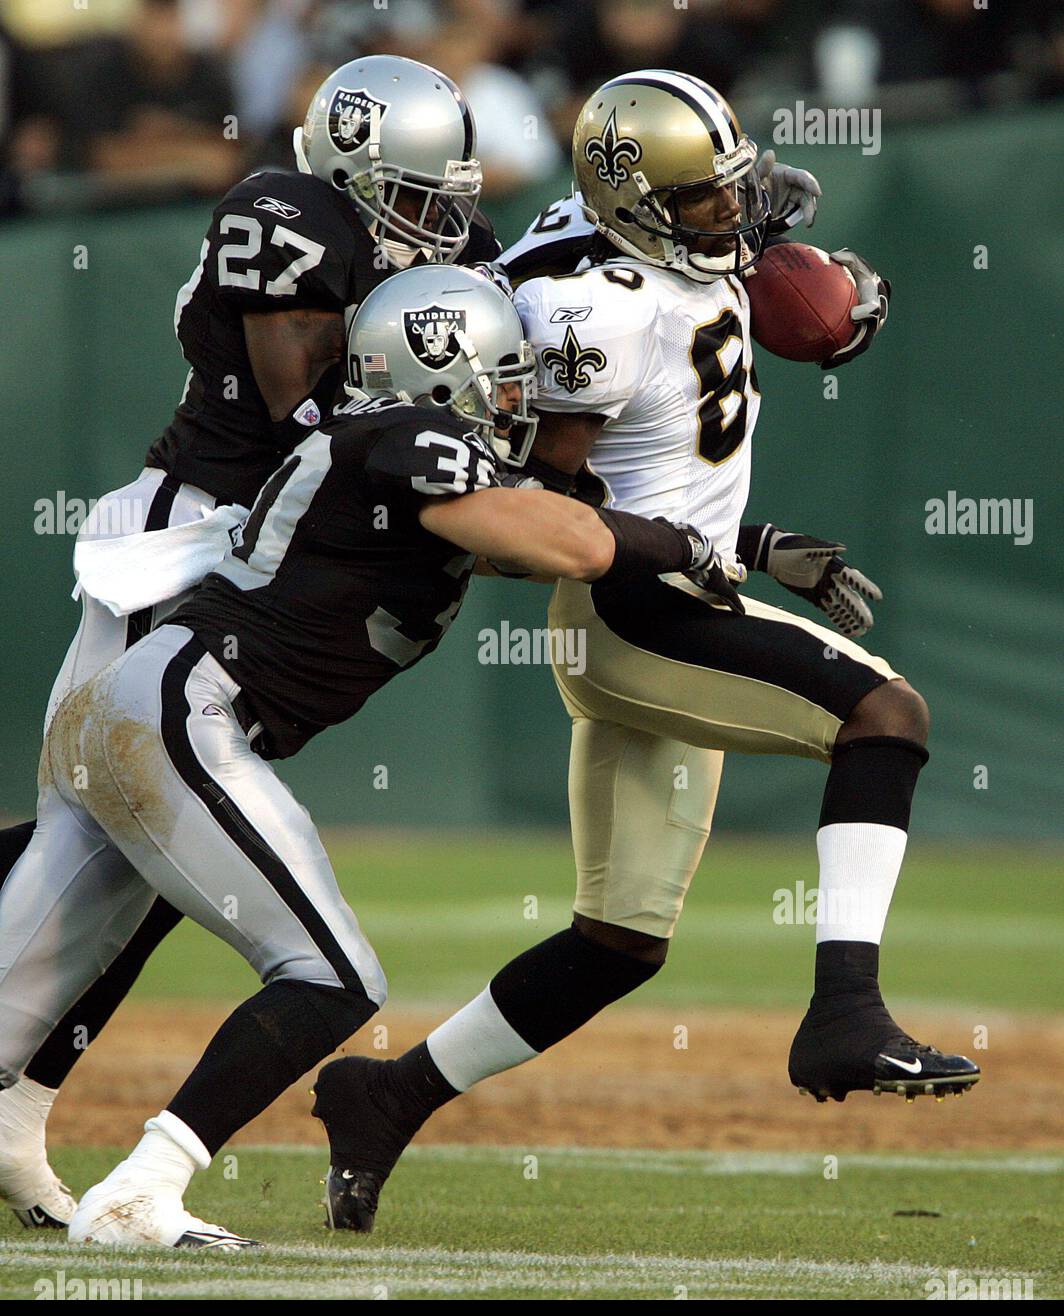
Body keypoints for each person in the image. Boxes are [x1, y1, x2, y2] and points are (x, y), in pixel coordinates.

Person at [309, 70, 978, 1234]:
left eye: (729, 189)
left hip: (676, 597)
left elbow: (654, 461)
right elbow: (549, 519)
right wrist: (708, 557)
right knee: (886, 715)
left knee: (618, 940)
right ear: (632, 206)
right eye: (707, 201)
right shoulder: (595, 305)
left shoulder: (638, 255)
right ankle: (844, 1010)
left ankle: (383, 1095)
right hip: (644, 619)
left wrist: (754, 541)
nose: (736, 215)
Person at [0, 265, 734, 1248]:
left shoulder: (383, 455)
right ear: (445, 370)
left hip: (134, 705)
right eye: (503, 377)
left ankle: (131, 1185)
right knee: (331, 974)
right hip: (180, 710)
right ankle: (141, 1192)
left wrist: (743, 544)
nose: (518, 401)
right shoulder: (406, 435)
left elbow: (531, 534)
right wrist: (691, 545)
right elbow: (567, 541)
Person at [0, 52, 501, 1231]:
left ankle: (18, 1113)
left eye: (450, 197)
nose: (443, 226)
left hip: (266, 547)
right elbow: (298, 404)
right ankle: (27, 1115)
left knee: (140, 846)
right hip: (190, 534)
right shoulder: (286, 218)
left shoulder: (424, 252)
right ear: (349, 170)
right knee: (114, 826)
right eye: (417, 195)